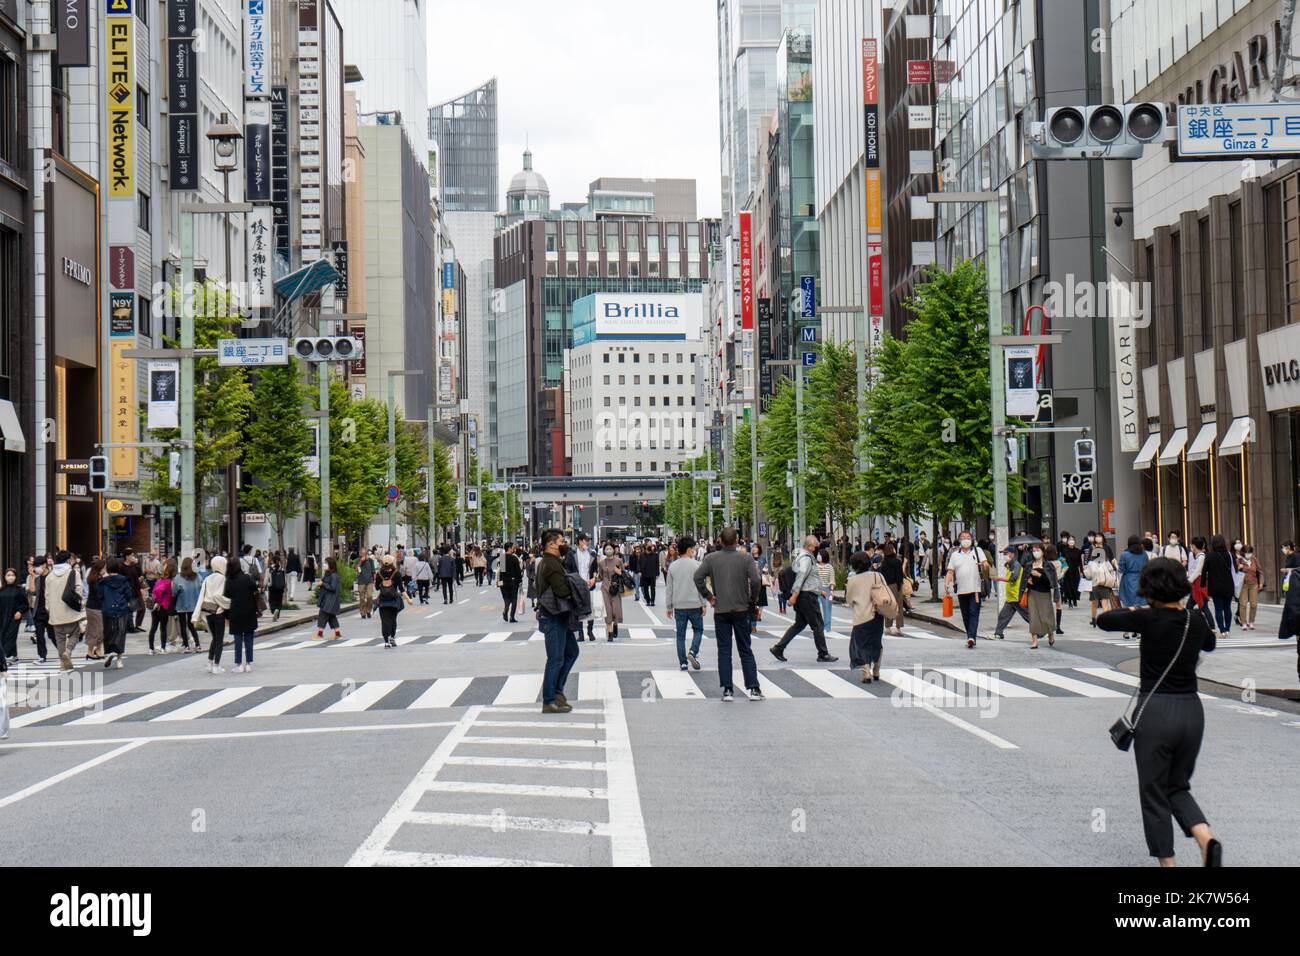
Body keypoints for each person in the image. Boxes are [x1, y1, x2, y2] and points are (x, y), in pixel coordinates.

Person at [1097, 558, 1221, 867]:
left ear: (1149, 587)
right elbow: (1210, 645)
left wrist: (1139, 610)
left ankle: (1168, 863)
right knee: (1177, 785)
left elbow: (1105, 619)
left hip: (1156, 711)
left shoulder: (1147, 619)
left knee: (1153, 792)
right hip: (1192, 711)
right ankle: (1205, 838)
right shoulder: (1196, 620)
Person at [693, 528, 763, 701]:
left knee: (724, 650)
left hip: (721, 609)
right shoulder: (746, 558)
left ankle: (727, 689)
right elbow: (756, 581)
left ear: (720, 541)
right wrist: (752, 599)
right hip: (741, 608)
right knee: (745, 649)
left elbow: (697, 577)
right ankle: (753, 688)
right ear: (737, 540)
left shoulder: (711, 559)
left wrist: (709, 596)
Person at [772, 536, 837, 663]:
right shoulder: (806, 559)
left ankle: (778, 648)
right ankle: (823, 653)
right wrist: (794, 596)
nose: (818, 546)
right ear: (809, 546)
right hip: (806, 596)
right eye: (816, 544)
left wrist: (820, 591)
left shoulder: (803, 557)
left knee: (799, 624)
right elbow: (801, 577)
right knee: (818, 624)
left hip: (805, 595)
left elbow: (809, 579)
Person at [536, 529, 578, 714]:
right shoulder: (551, 563)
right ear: (552, 544)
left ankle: (557, 692)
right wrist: (575, 588)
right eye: (561, 540)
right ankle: (549, 700)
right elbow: (561, 591)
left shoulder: (552, 561)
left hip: (557, 616)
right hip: (552, 616)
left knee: (571, 652)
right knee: (556, 658)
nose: (564, 543)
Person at [845, 551, 896, 683]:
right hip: (877, 614)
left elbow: (849, 600)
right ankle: (877, 670)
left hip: (861, 616)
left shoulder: (852, 580)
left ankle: (866, 672)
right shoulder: (877, 575)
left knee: (861, 644)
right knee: (876, 643)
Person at [665, 536, 705, 671]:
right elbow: (701, 586)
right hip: (695, 604)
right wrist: (703, 603)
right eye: (693, 549)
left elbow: (669, 588)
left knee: (680, 635)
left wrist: (669, 607)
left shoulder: (673, 566)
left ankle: (683, 662)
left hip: (679, 605)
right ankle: (693, 652)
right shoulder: (697, 565)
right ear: (689, 550)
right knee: (698, 630)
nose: (694, 551)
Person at [944, 531, 989, 649]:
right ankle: (970, 635)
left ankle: (971, 637)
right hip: (961, 589)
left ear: (972, 539)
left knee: (974, 612)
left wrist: (984, 565)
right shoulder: (955, 555)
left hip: (975, 589)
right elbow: (950, 571)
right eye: (963, 537)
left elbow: (986, 563)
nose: (966, 539)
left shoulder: (977, 551)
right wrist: (946, 583)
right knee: (965, 614)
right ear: (959, 540)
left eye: (968, 537)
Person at [43, 550, 85, 671]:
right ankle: (68, 652)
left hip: (56, 613)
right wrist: (80, 603)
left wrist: (49, 609)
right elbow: (79, 589)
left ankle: (62, 662)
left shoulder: (50, 576)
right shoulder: (73, 573)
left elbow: (47, 595)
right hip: (70, 610)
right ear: (68, 561)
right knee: (75, 634)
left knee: (60, 638)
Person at [195, 555, 231, 673]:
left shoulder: (207, 578)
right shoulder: (222, 579)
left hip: (208, 611)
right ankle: (216, 665)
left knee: (214, 638)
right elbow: (219, 596)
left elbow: (201, 596)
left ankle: (210, 662)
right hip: (219, 612)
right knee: (219, 639)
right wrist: (230, 603)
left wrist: (196, 615)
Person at [224, 559, 260, 673]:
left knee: (238, 638)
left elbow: (226, 597)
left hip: (235, 612)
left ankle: (239, 664)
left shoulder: (229, 581)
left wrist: (226, 616)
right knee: (249, 637)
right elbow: (255, 588)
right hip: (249, 611)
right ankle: (249, 663)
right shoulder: (247, 578)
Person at [1024, 543, 1061, 649]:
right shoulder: (1029, 565)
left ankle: (1050, 634)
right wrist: (1028, 581)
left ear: (1043, 552)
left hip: (1044, 593)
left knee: (1046, 616)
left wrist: (1040, 575)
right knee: (1033, 617)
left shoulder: (1048, 565)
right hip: (1032, 593)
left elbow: (1052, 582)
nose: (1035, 552)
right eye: (1034, 550)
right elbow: (1024, 579)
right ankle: (1034, 640)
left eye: (1037, 550)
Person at [98, 559, 133, 670]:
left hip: (108, 609)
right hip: (121, 609)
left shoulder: (103, 582)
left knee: (108, 632)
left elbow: (100, 596)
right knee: (120, 633)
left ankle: (109, 652)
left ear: (107, 569)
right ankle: (119, 660)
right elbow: (128, 595)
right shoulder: (124, 581)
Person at [991, 546, 1030, 641]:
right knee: (1003, 615)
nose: (1004, 555)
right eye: (1003, 554)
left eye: (1006, 553)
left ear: (1012, 554)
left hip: (1016, 596)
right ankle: (998, 634)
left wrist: (999, 579)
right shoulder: (1009, 565)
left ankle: (1042, 632)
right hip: (1011, 596)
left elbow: (1013, 578)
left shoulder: (1016, 565)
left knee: (1028, 616)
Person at [1199, 535, 1235, 638]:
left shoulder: (1209, 555)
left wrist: (1202, 585)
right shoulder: (1229, 554)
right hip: (1228, 585)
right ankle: (1227, 629)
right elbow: (1233, 569)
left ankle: (1222, 630)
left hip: (1215, 586)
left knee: (1218, 608)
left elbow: (1204, 570)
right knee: (1227, 608)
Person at [1117, 535, 1151, 641]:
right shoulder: (1144, 554)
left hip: (1128, 580)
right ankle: (1139, 630)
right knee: (1140, 606)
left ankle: (1126, 631)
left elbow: (1121, 569)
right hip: (1141, 580)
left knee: (1127, 606)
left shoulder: (1124, 555)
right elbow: (1147, 567)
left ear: (1129, 544)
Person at [566, 534, 599, 641]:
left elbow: (595, 569)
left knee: (591, 608)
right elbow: (568, 569)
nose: (588, 542)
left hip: (590, 584)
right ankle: (580, 633)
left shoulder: (592, 554)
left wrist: (594, 578)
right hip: (577, 585)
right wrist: (578, 580)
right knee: (578, 608)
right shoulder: (572, 554)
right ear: (580, 541)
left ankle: (590, 631)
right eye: (586, 540)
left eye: (589, 541)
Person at [374, 555, 410, 647]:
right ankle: (392, 637)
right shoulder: (396, 573)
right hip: (394, 601)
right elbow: (401, 589)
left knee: (385, 621)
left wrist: (382, 582)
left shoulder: (379, 574)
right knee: (393, 620)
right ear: (392, 563)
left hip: (383, 601)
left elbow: (377, 588)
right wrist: (408, 599)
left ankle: (386, 641)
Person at [172, 557, 202, 653]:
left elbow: (174, 592)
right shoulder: (198, 577)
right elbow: (202, 588)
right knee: (191, 625)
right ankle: (198, 645)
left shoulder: (179, 577)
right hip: (194, 604)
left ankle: (186, 645)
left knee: (183, 626)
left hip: (182, 604)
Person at [147, 558, 176, 655]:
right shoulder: (167, 581)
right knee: (163, 628)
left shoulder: (158, 581)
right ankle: (163, 648)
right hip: (162, 607)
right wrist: (159, 602)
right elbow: (159, 592)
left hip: (155, 607)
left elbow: (154, 591)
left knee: (153, 627)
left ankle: (151, 648)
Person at [597, 544, 626, 641]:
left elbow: (624, 574)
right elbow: (600, 576)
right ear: (604, 551)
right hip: (605, 589)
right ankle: (610, 633)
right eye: (606, 549)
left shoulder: (619, 561)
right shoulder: (601, 563)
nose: (608, 550)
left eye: (610, 549)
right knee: (607, 611)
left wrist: (619, 572)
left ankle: (616, 624)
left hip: (616, 589)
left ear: (614, 550)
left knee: (615, 610)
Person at [877, 543, 906, 636]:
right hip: (895, 585)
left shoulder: (884, 561)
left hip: (886, 586)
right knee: (898, 606)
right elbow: (899, 575)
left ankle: (888, 627)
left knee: (888, 606)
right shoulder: (897, 561)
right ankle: (898, 627)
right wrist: (900, 585)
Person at [0, 568, 25, 664]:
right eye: (8, 575)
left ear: (16, 576)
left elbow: (25, 604)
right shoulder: (2, 590)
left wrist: (20, 611)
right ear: (5, 577)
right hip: (2, 617)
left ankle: (4, 656)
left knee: (10, 636)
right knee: (3, 636)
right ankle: (14, 656)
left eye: (12, 575)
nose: (10, 577)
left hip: (15, 617)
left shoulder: (19, 589)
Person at [314, 557, 342, 640]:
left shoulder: (334, 576)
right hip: (327, 599)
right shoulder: (328, 574)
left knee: (323, 615)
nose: (324, 565)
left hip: (330, 600)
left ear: (331, 565)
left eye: (326, 563)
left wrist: (323, 584)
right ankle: (337, 633)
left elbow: (332, 587)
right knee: (331, 617)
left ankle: (320, 634)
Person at [1235, 543, 1262, 631]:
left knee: (1254, 604)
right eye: (1246, 552)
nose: (1248, 554)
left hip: (1254, 584)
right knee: (1243, 604)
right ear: (1243, 552)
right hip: (1243, 584)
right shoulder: (1239, 560)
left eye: (1250, 552)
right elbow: (1234, 571)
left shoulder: (1254, 560)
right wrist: (1239, 567)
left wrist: (1261, 583)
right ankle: (1243, 622)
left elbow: (1260, 571)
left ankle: (1251, 621)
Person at [499, 543, 523, 623]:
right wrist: (520, 581)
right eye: (513, 548)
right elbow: (518, 572)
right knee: (514, 600)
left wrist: (500, 582)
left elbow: (501, 572)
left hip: (504, 582)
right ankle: (512, 617)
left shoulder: (502, 558)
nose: (514, 549)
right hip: (513, 582)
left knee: (507, 599)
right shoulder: (514, 558)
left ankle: (505, 611)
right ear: (509, 548)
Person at [266, 554, 287, 622]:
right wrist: (285, 587)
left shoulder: (269, 569)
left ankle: (274, 610)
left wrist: (264, 585)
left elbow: (266, 578)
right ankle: (277, 610)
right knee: (279, 600)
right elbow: (285, 579)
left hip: (272, 587)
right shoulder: (282, 569)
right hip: (280, 587)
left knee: (271, 600)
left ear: (272, 561)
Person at [355, 551, 376, 619]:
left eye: (365, 554)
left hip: (369, 581)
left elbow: (373, 572)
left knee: (369, 596)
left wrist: (374, 580)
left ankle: (368, 610)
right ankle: (363, 612)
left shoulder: (370, 561)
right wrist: (361, 561)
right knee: (362, 598)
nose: (364, 555)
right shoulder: (358, 560)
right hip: (361, 582)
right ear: (360, 554)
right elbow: (357, 570)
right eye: (362, 554)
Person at [639, 542, 659, 607]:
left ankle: (652, 601)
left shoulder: (655, 555)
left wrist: (657, 573)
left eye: (651, 545)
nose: (650, 546)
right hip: (644, 574)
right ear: (646, 546)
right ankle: (648, 601)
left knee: (653, 588)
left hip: (652, 574)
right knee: (645, 589)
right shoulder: (642, 555)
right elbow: (639, 564)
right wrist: (639, 571)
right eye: (649, 545)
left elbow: (657, 565)